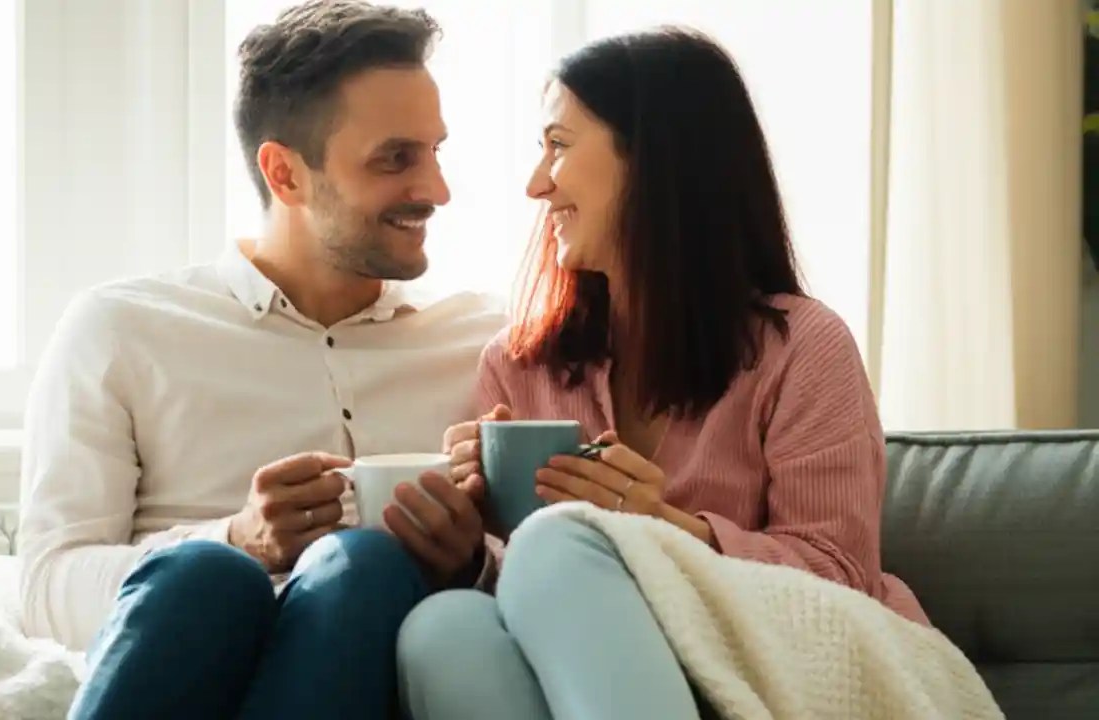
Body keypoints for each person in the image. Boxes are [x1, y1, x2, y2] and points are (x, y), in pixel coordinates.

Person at [397, 27, 931, 720]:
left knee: (564, 539)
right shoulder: (518, 364)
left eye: (558, 145)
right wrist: (468, 549)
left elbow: (839, 578)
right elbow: (521, 593)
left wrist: (669, 532)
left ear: (655, 162)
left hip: (775, 676)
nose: (535, 184)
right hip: (596, 672)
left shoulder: (804, 347)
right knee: (443, 627)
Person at [16, 2, 504, 718]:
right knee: (208, 574)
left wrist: (468, 563)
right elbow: (44, 589)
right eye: (396, 158)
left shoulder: (482, 340)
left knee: (366, 564)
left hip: (362, 653)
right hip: (184, 646)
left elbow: (539, 578)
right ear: (284, 174)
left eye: (435, 150)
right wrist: (241, 540)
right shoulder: (122, 329)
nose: (436, 190)